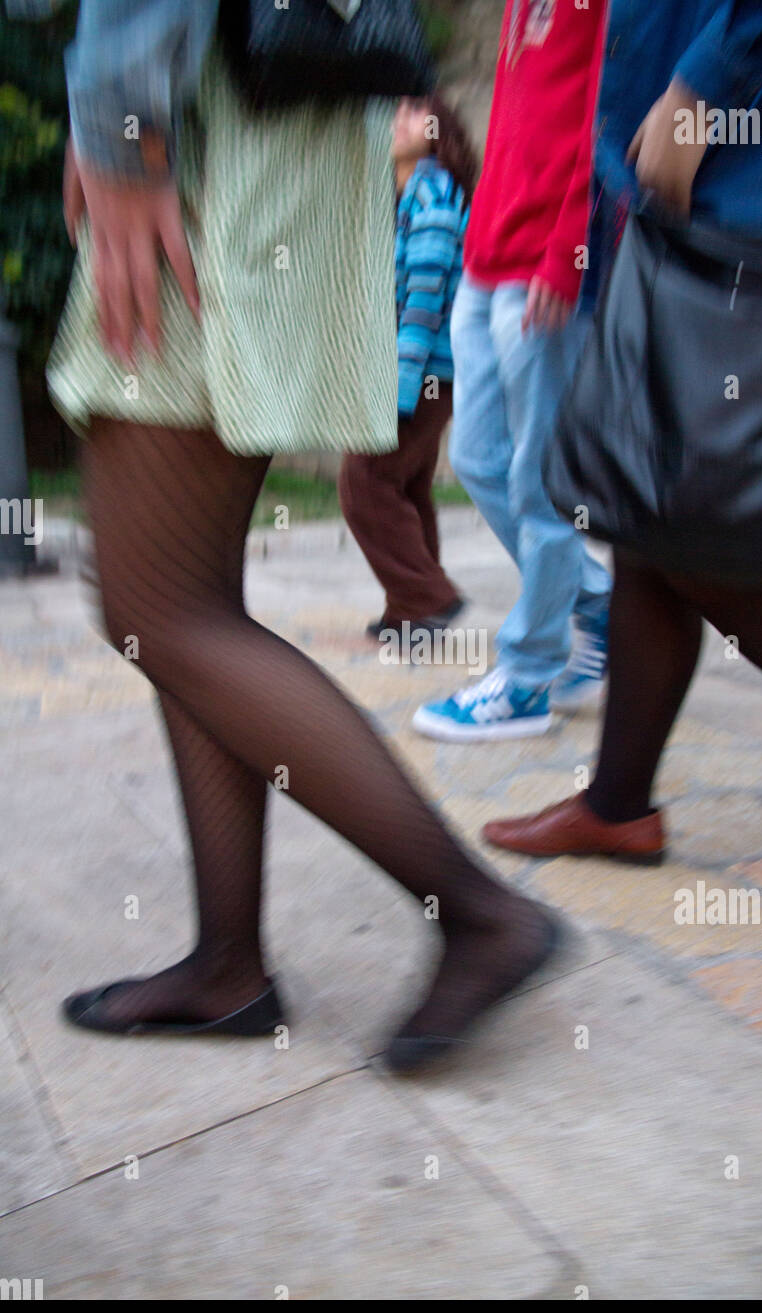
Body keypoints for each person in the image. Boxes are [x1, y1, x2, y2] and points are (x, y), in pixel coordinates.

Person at [11, 0, 565, 1074]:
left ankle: (480, 915)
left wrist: (121, 122)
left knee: (154, 609)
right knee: (189, 606)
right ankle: (229, 965)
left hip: (211, 124)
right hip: (274, 126)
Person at [482, 0, 762, 887]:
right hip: (708, 173)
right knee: (648, 511)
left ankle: (619, 804)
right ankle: (618, 806)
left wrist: (703, 92)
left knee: (718, 546)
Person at [411, 0, 612, 743]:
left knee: (540, 484)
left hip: (546, 269)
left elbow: (607, 113)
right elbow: (513, 126)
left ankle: (528, 678)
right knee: (476, 459)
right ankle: (595, 600)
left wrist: (568, 248)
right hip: (486, 260)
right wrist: (475, 242)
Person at [339, 94, 475, 645]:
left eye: (414, 111)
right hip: (429, 371)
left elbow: (425, 298)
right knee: (407, 486)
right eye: (393, 112)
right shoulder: (405, 196)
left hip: (422, 372)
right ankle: (411, 615)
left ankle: (431, 597)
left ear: (442, 127)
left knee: (363, 482)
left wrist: (400, 386)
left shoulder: (432, 194)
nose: (398, 119)